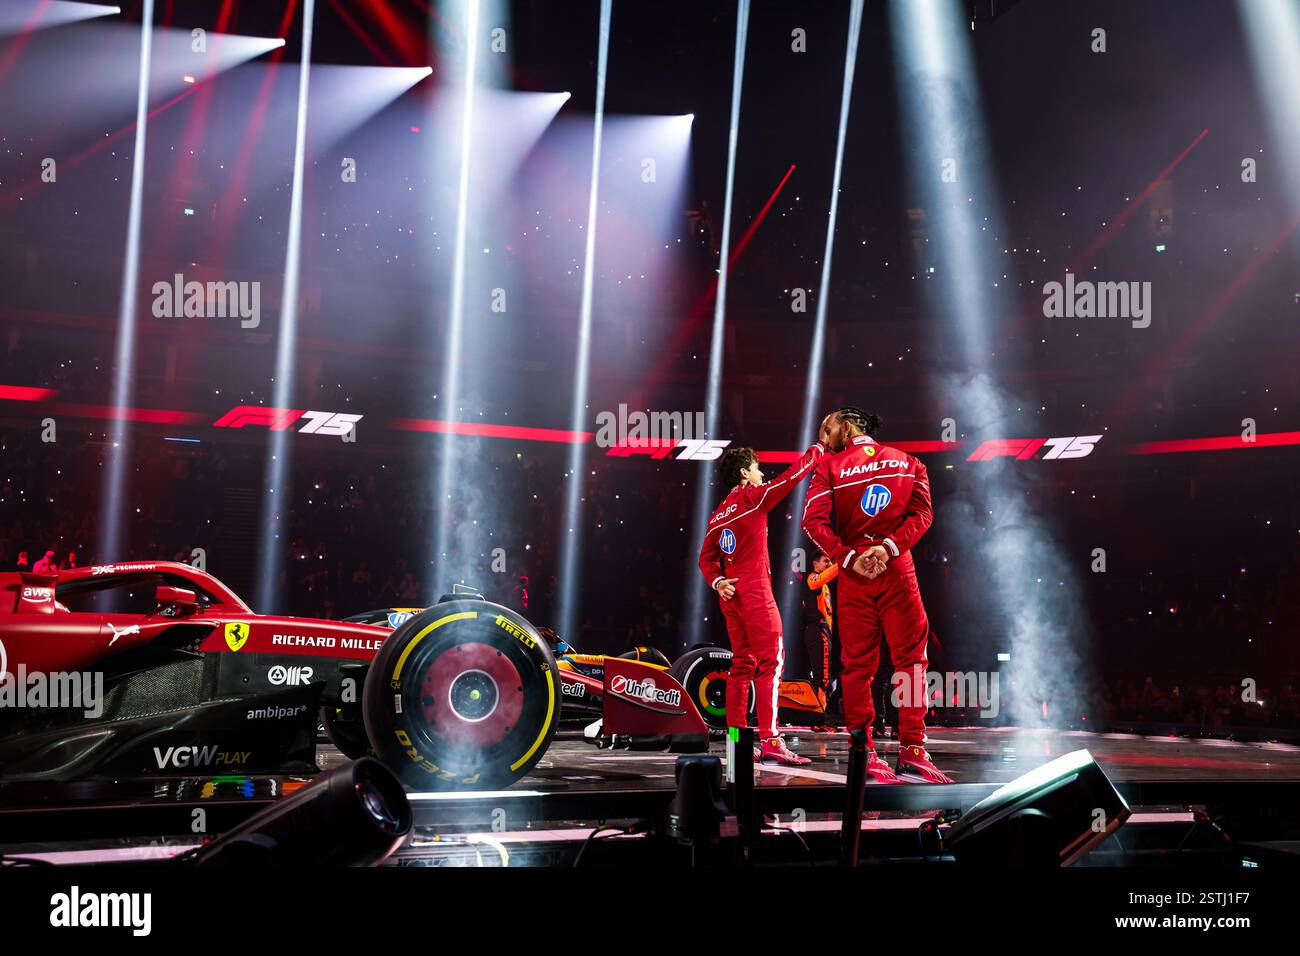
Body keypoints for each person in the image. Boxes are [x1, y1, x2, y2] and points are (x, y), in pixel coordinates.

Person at [802, 407, 953, 784]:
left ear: (849, 425)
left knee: (856, 667)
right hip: (896, 568)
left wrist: (847, 556)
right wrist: (887, 548)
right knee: (913, 661)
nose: (824, 434)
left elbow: (811, 522)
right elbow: (923, 516)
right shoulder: (909, 462)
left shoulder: (830, 468)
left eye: (829, 426)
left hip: (854, 573)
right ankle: (913, 751)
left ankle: (863, 753)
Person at [698, 429, 828, 766]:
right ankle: (771, 740)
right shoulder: (752, 497)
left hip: (732, 595)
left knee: (742, 666)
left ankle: (736, 741)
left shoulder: (718, 513)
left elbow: (706, 558)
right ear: (744, 473)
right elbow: (791, 477)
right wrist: (817, 450)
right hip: (755, 591)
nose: (761, 474)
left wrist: (717, 583)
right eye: (757, 468)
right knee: (771, 661)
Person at [802, 554, 839, 732]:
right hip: (817, 630)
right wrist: (840, 564)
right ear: (815, 563)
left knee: (824, 676)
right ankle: (818, 720)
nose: (829, 564)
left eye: (830, 561)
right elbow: (816, 581)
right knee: (822, 676)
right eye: (825, 561)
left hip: (824, 631)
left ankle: (819, 717)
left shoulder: (824, 585)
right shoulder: (812, 577)